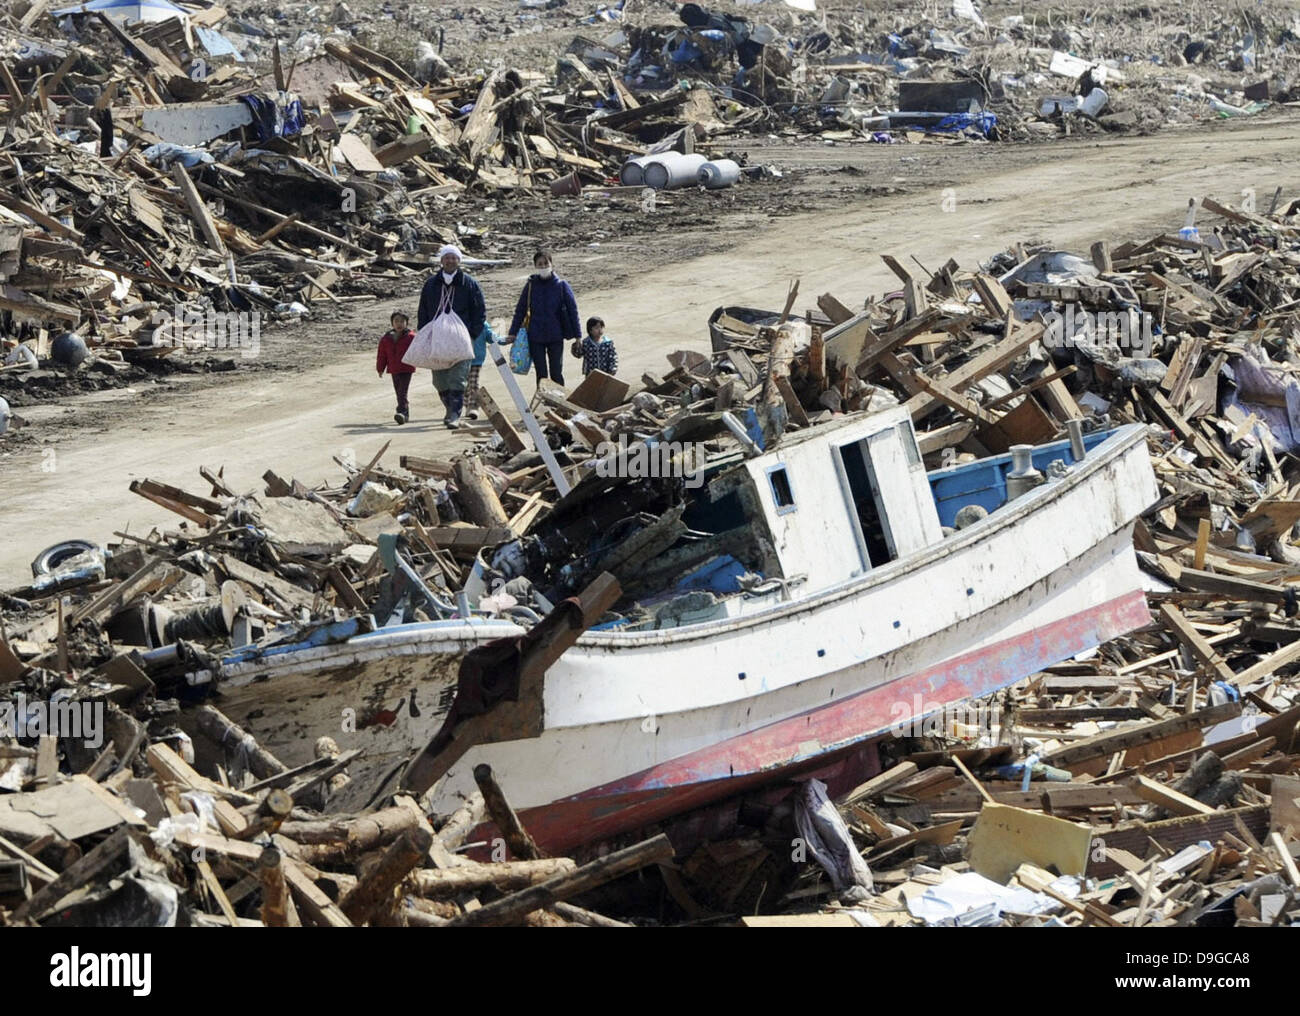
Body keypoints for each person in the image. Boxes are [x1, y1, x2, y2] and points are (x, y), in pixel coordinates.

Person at [417, 244, 485, 428]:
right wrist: (424, 334)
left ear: (459, 260)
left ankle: (455, 414)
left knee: (458, 376)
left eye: (454, 257)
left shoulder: (469, 283)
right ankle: (449, 409)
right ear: (441, 260)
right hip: (437, 338)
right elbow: (423, 311)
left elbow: (479, 311)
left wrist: (472, 334)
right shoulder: (431, 285)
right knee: (439, 379)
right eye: (447, 257)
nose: (450, 260)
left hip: (462, 338)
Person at [507, 249, 581, 389]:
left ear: (551, 264)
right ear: (535, 266)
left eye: (545, 263)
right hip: (535, 337)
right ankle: (545, 404)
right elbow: (520, 310)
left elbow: (573, 311)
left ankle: (560, 403)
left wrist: (578, 336)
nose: (543, 267)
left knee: (556, 372)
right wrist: (513, 332)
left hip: (556, 336)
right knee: (541, 374)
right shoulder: (530, 286)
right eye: (539, 264)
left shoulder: (561, 286)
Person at [376, 311, 416, 424]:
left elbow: (418, 351)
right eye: (396, 321)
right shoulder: (386, 339)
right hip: (394, 369)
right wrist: (380, 368)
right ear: (392, 323)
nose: (399, 324)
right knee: (398, 390)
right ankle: (404, 412)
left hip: (406, 368)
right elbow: (382, 355)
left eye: (402, 321)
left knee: (402, 391)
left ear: (407, 323)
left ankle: (402, 412)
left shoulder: (411, 337)